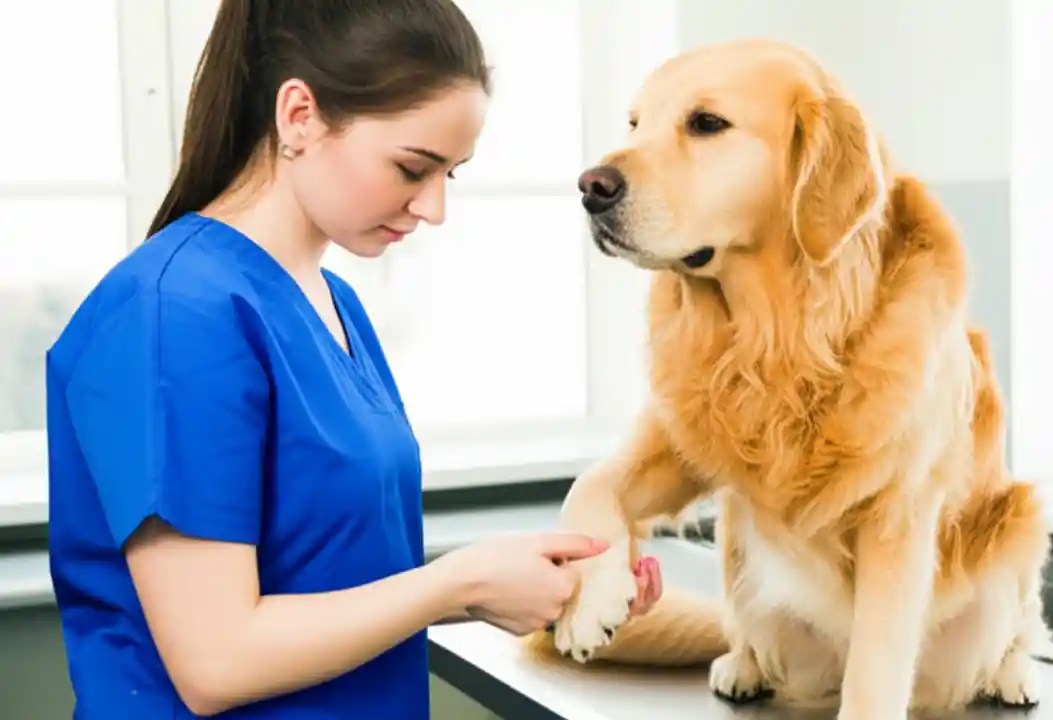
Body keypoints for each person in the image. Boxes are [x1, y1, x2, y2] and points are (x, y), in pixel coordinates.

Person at [43, 1, 662, 718]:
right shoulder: (172, 313)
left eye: (449, 176)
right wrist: (456, 584)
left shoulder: (330, 303)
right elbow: (217, 660)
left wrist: (519, 584)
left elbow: (331, 582)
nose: (432, 209)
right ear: (299, 114)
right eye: (412, 167)